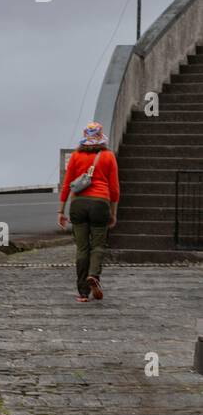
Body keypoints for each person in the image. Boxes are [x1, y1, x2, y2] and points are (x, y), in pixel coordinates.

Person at [58, 121, 120, 302]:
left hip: (78, 204)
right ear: (101, 137)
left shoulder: (76, 156)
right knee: (98, 245)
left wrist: (60, 211)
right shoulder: (108, 156)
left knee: (82, 248)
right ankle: (93, 275)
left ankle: (83, 293)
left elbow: (67, 184)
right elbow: (115, 188)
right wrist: (113, 212)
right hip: (100, 203)